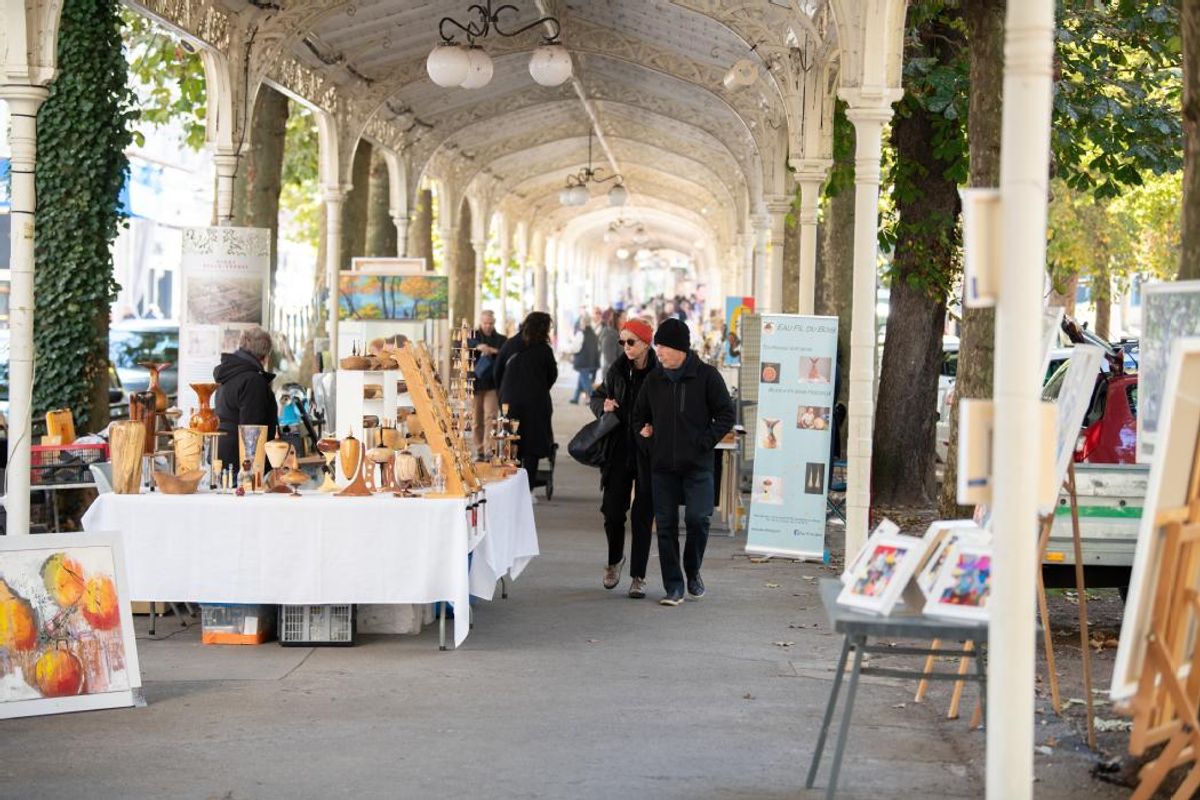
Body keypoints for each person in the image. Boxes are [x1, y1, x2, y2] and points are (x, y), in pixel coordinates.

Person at [632, 317, 735, 606]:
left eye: (662, 347)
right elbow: (638, 417)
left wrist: (703, 443)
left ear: (679, 349)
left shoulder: (706, 376)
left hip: (698, 465)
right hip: (662, 465)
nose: (659, 353)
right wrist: (647, 439)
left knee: (698, 519)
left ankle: (693, 570)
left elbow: (726, 415)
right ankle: (674, 586)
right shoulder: (654, 379)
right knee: (665, 526)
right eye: (658, 347)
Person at [589, 318, 658, 598]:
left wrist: (656, 427)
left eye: (632, 342)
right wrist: (602, 406)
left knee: (643, 514)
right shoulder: (616, 370)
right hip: (618, 450)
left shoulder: (659, 373)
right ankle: (614, 560)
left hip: (647, 453)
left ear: (646, 342)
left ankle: (638, 576)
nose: (626, 347)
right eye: (623, 342)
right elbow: (596, 398)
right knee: (613, 512)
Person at [494, 311, 557, 490]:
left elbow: (497, 371)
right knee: (532, 447)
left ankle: (511, 487)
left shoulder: (510, 344)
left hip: (510, 402)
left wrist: (503, 394)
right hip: (537, 404)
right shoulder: (544, 350)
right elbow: (552, 375)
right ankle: (527, 489)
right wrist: (539, 389)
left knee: (512, 443)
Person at [213, 326, 278, 470]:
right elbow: (251, 430)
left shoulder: (229, 373)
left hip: (223, 455)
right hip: (242, 464)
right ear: (266, 356)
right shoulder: (253, 380)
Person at [471, 310, 507, 460]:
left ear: (494, 323)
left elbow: (505, 353)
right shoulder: (473, 336)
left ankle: (489, 450)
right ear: (480, 322)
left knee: (491, 417)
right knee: (476, 420)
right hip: (475, 384)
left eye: (490, 323)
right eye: (485, 323)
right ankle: (479, 450)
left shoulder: (501, 339)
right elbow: (461, 344)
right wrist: (478, 346)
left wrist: (492, 350)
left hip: (492, 384)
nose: (488, 326)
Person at [571, 314, 600, 404]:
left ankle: (594, 398)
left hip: (583, 361)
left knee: (586, 382)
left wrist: (569, 350)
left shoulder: (581, 333)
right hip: (593, 361)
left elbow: (575, 348)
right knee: (582, 379)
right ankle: (575, 398)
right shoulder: (594, 334)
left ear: (582, 323)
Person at [597, 309, 620, 378]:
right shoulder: (609, 335)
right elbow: (610, 359)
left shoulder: (617, 334)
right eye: (624, 318)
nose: (627, 320)